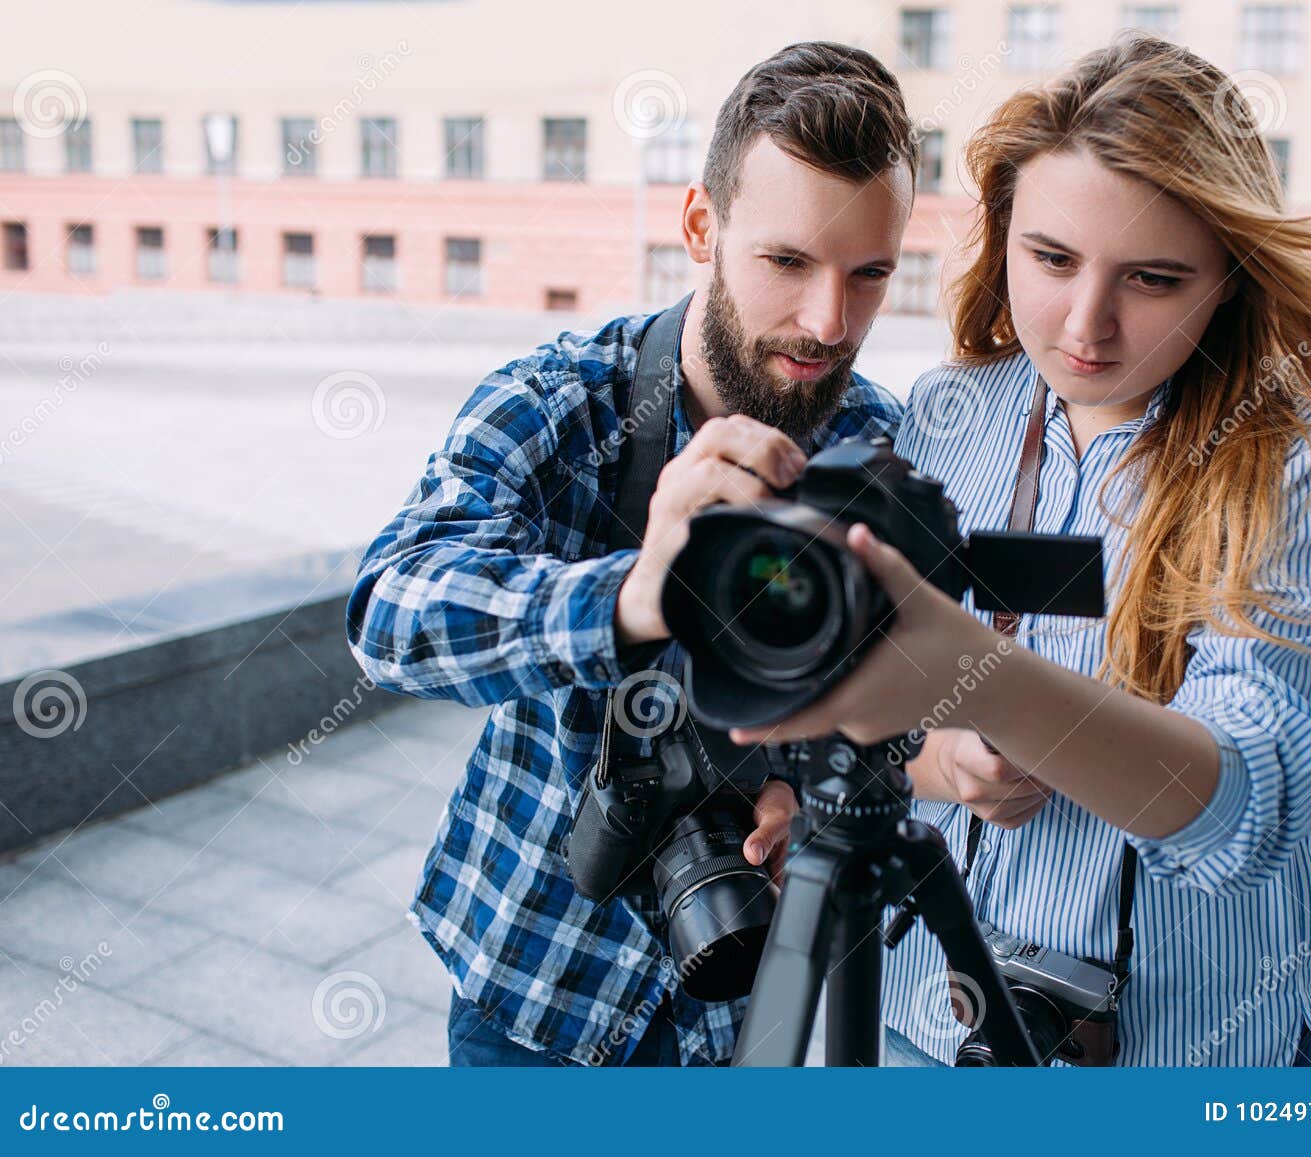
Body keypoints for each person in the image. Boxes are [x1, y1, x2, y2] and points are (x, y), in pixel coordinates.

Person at [731, 34, 1311, 1067]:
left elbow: (1254, 804)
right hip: (930, 1020)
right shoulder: (949, 413)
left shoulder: (1300, 469)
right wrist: (936, 760)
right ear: (1001, 234)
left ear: (1229, 274)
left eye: (1151, 278)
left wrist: (988, 681)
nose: (1086, 324)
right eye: (1050, 260)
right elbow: (875, 702)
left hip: (1194, 1044)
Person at [345, 41, 917, 1066]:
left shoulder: (879, 447)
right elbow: (386, 613)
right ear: (701, 226)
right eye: (787, 261)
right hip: (536, 986)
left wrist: (820, 784)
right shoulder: (564, 395)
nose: (829, 321)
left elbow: (907, 690)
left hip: (754, 998)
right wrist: (634, 594)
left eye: (868, 274)